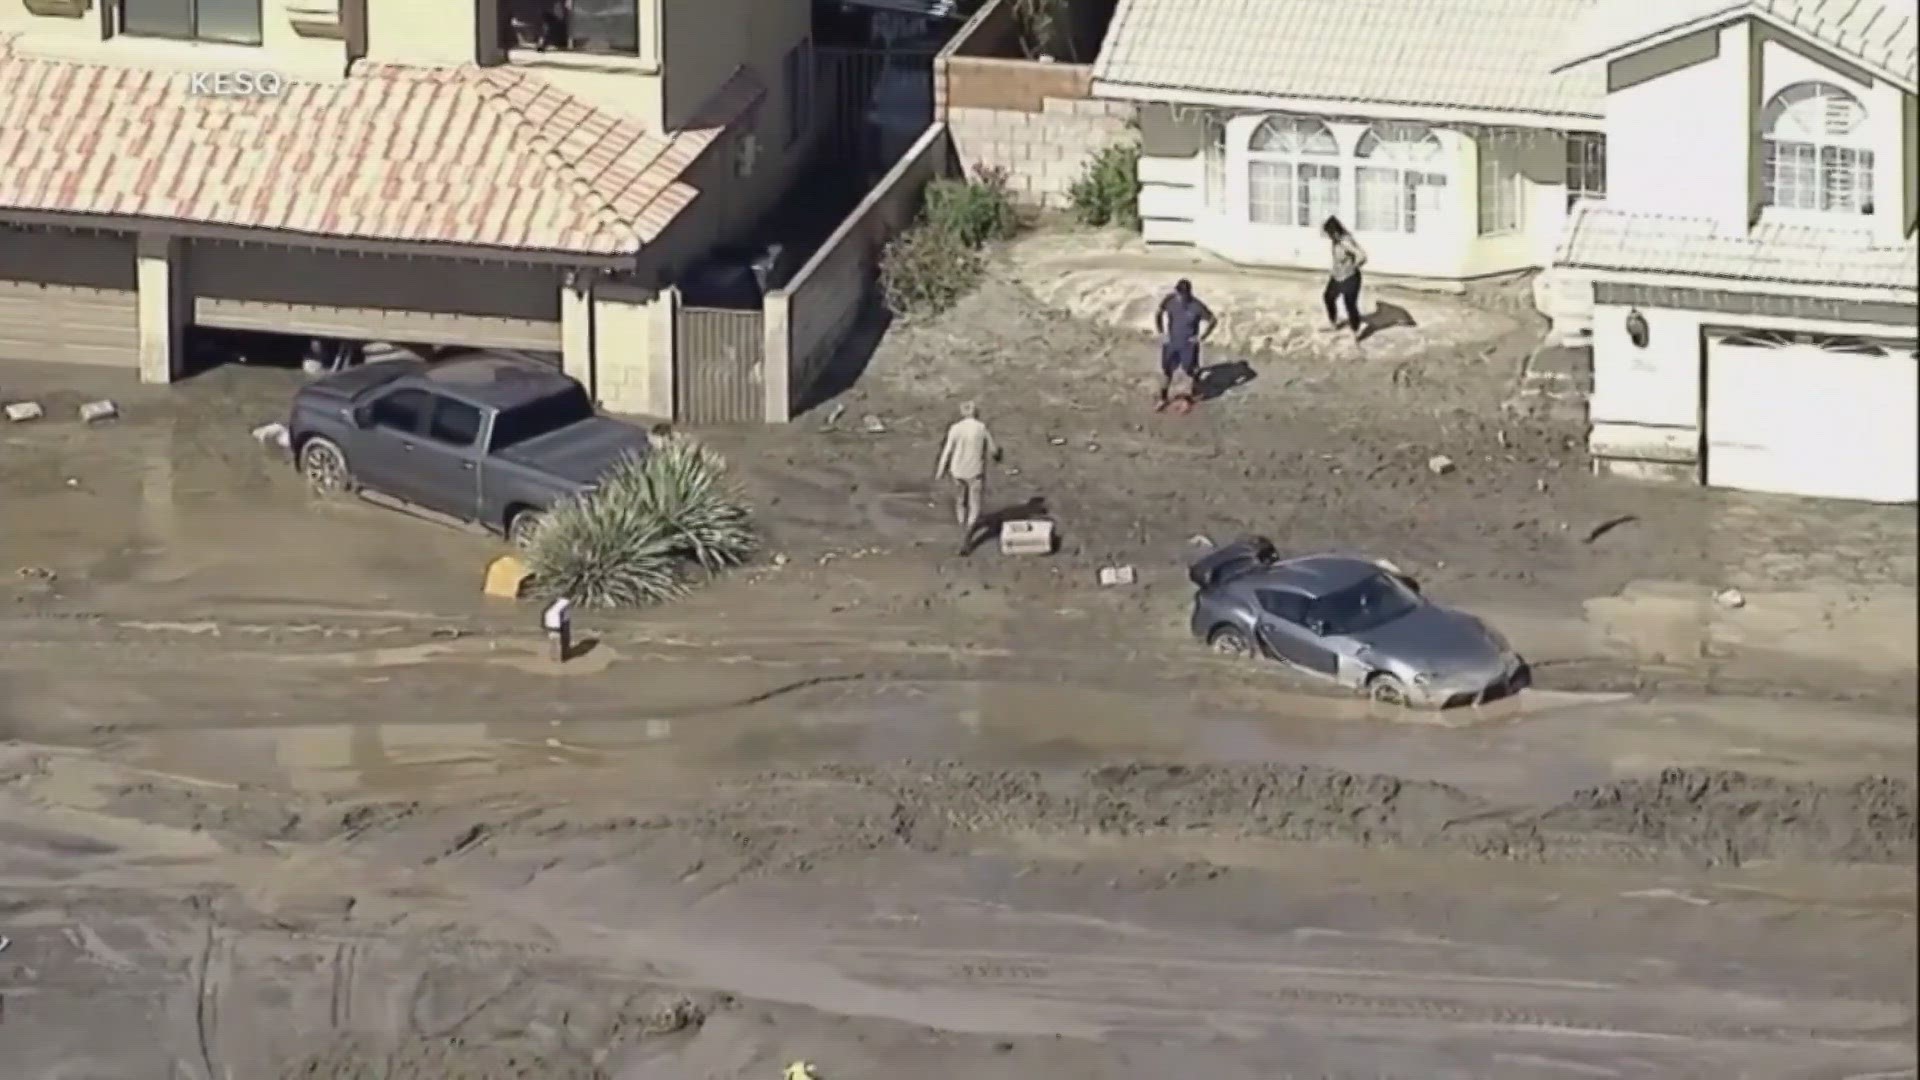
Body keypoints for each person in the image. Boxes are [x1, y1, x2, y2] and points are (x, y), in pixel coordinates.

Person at [933, 401, 1001, 555]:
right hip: (974, 471)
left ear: (962, 413)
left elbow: (947, 451)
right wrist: (998, 455)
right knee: (974, 504)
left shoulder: (955, 428)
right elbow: (993, 450)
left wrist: (940, 470)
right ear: (976, 412)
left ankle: (962, 526)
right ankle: (968, 535)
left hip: (957, 471)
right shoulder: (981, 428)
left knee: (960, 501)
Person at [1154, 278, 1216, 409]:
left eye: (1183, 295)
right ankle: (1163, 398)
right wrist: (1161, 332)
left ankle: (1190, 397)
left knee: (1190, 370)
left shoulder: (1196, 306)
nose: (1180, 298)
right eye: (1179, 295)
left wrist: (1201, 337)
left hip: (1188, 345)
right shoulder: (1169, 300)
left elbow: (1213, 320)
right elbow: (1159, 313)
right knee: (1167, 371)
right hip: (1171, 342)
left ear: (1189, 293)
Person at [1321, 216, 1368, 339]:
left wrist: (1353, 266)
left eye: (1330, 233)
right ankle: (1333, 323)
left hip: (1350, 278)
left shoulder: (1345, 241)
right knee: (1328, 297)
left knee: (1350, 304)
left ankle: (1356, 330)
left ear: (1335, 232)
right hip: (1337, 277)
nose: (1329, 237)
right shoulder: (1336, 241)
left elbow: (1362, 256)